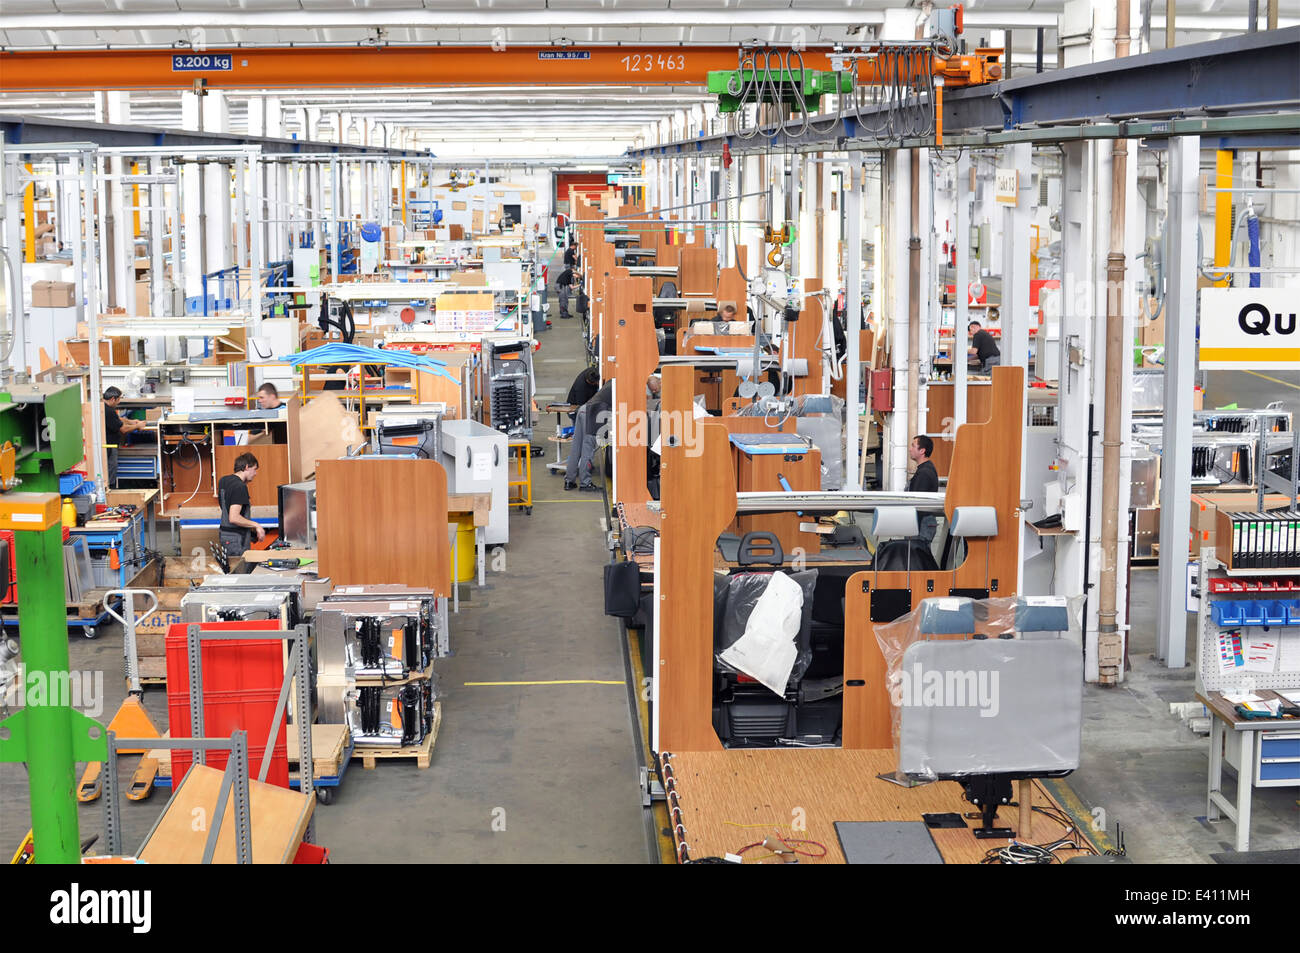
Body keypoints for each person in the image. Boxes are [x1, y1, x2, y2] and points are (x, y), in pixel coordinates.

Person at [564, 376, 661, 491]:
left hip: (584, 409)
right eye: (655, 389)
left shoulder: (617, 379)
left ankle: (569, 481)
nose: (654, 392)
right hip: (593, 413)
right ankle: (585, 483)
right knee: (587, 450)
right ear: (654, 383)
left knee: (576, 447)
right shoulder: (632, 385)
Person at [217, 452, 265, 555]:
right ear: (247, 467)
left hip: (225, 535)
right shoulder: (240, 487)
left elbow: (226, 506)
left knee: (231, 568)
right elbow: (233, 517)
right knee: (241, 570)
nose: (255, 473)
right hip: (236, 539)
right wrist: (256, 525)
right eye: (255, 469)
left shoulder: (224, 481)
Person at [102, 386, 146, 489]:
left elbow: (118, 419)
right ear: (113, 399)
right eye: (118, 399)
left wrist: (131, 421)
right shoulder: (109, 411)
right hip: (109, 447)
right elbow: (123, 430)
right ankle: (111, 492)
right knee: (110, 473)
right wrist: (137, 426)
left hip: (107, 445)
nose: (119, 402)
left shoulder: (103, 407)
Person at [907, 435, 939, 543]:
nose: (910, 449)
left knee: (918, 557)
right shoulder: (926, 469)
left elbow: (917, 503)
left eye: (913, 446)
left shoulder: (924, 473)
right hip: (923, 524)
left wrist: (910, 528)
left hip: (921, 525)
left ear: (922, 451)